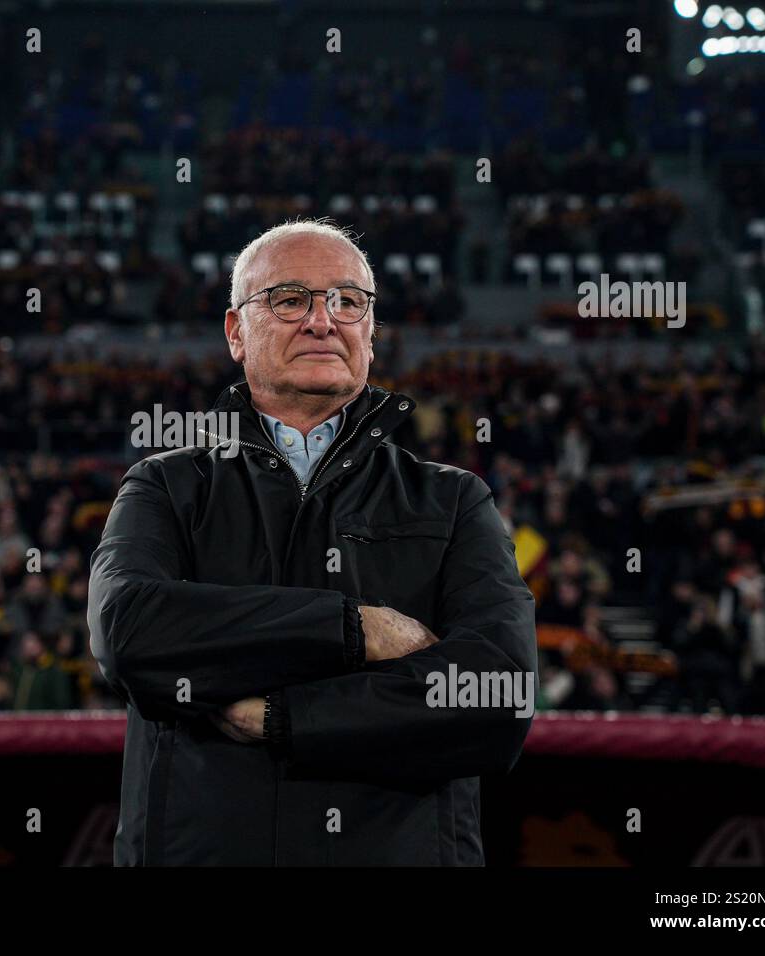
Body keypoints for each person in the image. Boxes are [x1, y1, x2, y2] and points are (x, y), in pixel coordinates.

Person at [88, 219, 538, 865]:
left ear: (371, 334)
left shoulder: (455, 500)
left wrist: (284, 719)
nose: (323, 321)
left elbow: (497, 695)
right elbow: (129, 636)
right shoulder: (165, 486)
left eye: (348, 301)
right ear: (235, 332)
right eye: (290, 298)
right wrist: (354, 630)